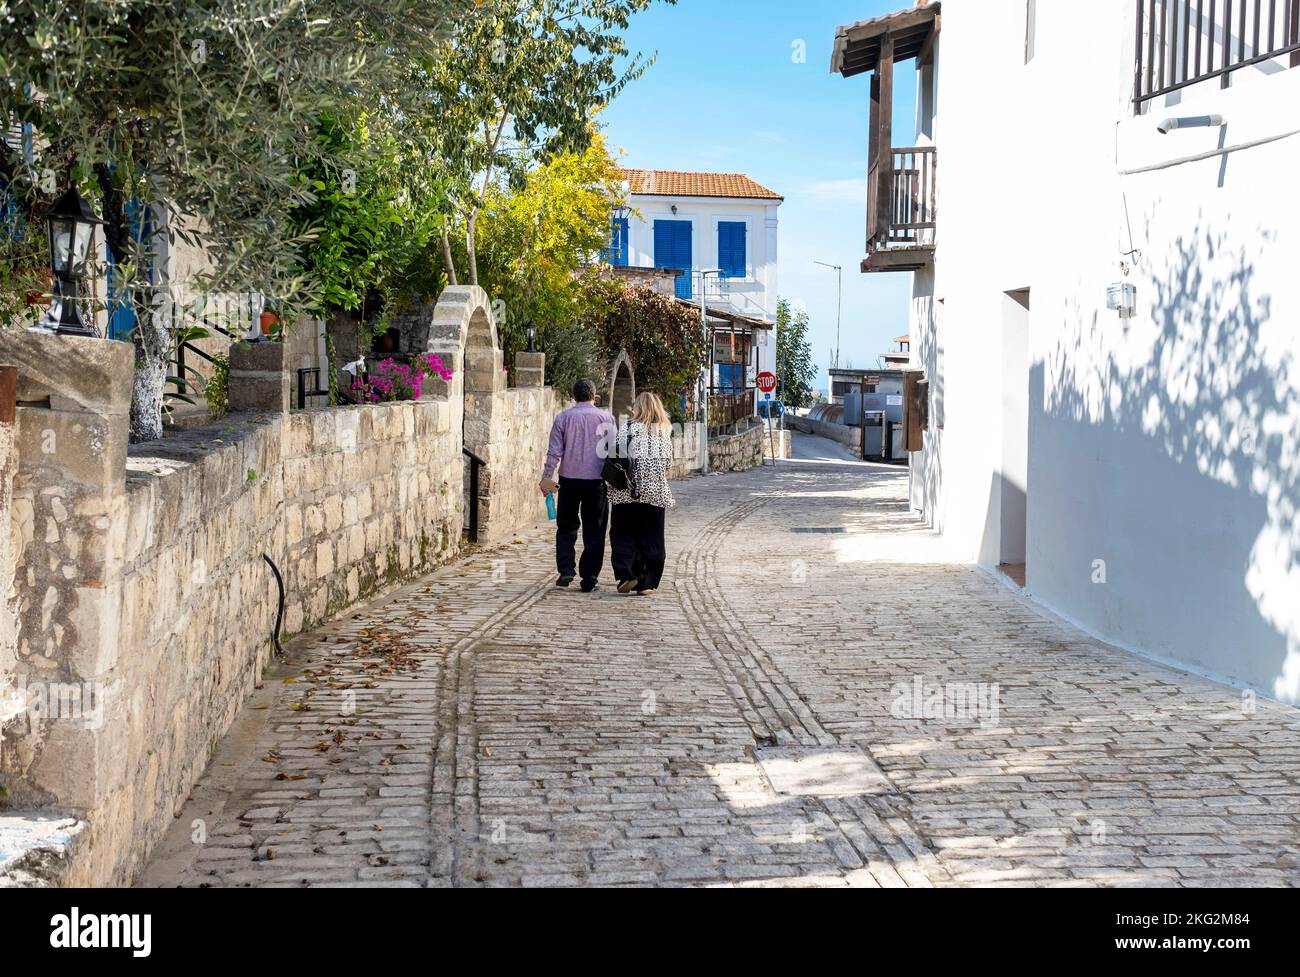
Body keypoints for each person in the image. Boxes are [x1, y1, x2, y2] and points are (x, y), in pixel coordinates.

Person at [539, 379, 615, 592]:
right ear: (594, 396)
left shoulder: (563, 418)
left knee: (566, 526)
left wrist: (547, 480)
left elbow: (554, 453)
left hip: (568, 480)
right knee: (595, 530)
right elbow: (615, 453)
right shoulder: (606, 418)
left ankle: (566, 569)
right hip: (596, 482)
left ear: (574, 396)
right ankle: (589, 577)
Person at [609, 392, 675, 597]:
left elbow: (614, 458)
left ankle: (627, 573)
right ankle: (647, 583)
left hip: (625, 492)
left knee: (623, 534)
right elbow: (667, 464)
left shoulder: (625, 429)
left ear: (637, 408)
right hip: (654, 493)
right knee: (652, 537)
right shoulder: (662, 434)